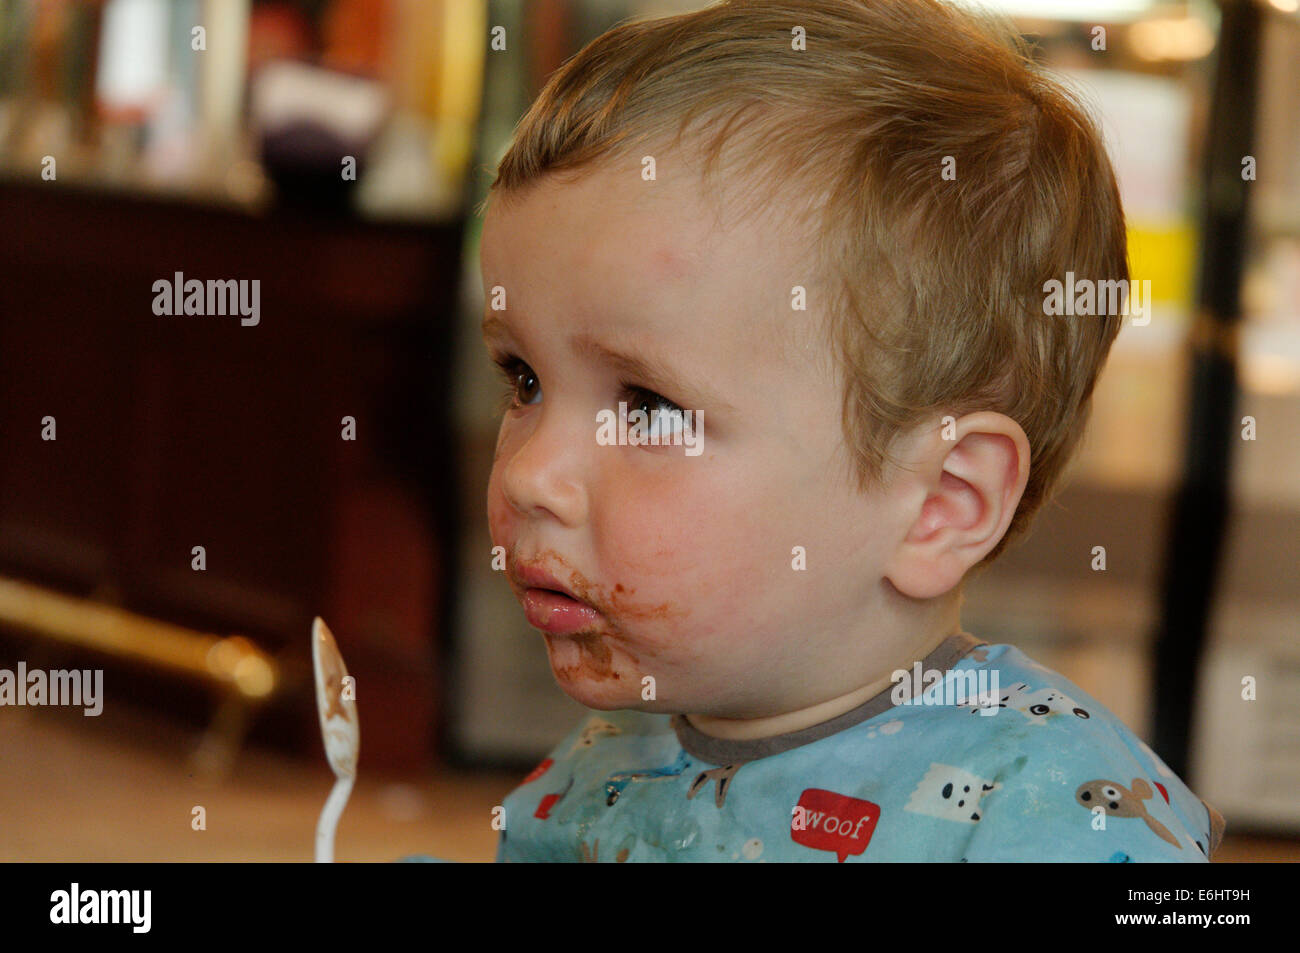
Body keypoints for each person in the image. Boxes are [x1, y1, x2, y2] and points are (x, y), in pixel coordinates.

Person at [476, 0, 1223, 861]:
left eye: (650, 405)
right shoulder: (595, 770)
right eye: (523, 380)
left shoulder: (1059, 817)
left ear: (940, 502)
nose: (532, 473)